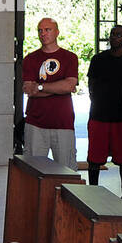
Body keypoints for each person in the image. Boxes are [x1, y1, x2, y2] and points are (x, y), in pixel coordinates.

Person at [87, 25, 122, 199]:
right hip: (98, 116)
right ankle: (93, 193)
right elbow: (91, 84)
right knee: (94, 159)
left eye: (119, 35)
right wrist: (96, 100)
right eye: (112, 34)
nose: (114, 37)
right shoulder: (98, 59)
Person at [22, 18, 79, 170]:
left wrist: (40, 88)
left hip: (63, 122)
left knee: (67, 172)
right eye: (40, 30)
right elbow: (29, 90)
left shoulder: (70, 57)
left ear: (57, 32)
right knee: (33, 172)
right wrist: (59, 88)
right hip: (35, 123)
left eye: (48, 29)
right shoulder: (30, 59)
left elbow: (69, 85)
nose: (43, 33)